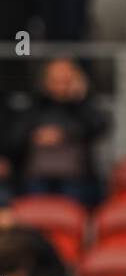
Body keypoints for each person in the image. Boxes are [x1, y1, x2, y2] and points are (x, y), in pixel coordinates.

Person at [5, 58, 110, 205]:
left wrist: (79, 101)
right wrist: (34, 136)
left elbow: (100, 127)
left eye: (66, 80)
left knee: (75, 193)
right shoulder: (35, 107)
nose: (61, 85)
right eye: (56, 80)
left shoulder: (82, 107)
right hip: (36, 179)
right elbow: (13, 139)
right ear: (45, 81)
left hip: (77, 180)